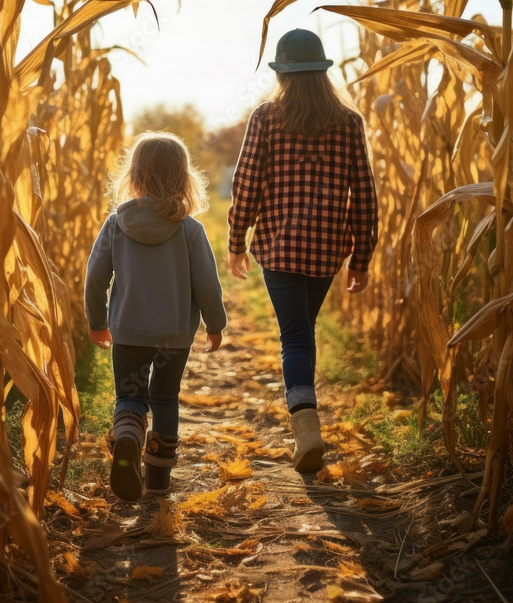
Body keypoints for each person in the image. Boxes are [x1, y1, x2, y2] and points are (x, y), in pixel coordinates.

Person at [227, 28, 379, 474]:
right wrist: (361, 257)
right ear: (322, 71)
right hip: (326, 251)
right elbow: (365, 195)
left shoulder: (266, 118)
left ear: (283, 74)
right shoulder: (349, 123)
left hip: (278, 248)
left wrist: (237, 241)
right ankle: (307, 422)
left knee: (295, 336)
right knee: (302, 333)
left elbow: (247, 184)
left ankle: (306, 429)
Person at [85, 132, 227, 501]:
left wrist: (97, 320)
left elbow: (95, 276)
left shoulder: (116, 224)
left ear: (134, 176)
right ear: (183, 178)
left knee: (129, 397)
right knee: (164, 400)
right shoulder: (189, 229)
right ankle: (158, 485)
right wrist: (215, 324)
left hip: (128, 330)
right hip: (174, 335)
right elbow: (208, 285)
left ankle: (128, 436)